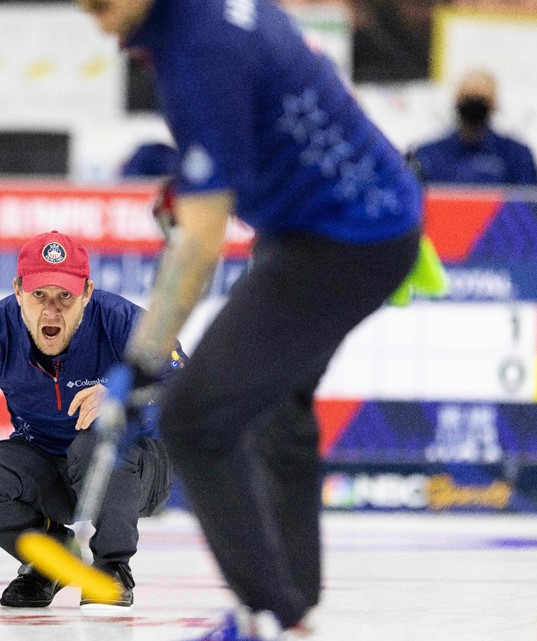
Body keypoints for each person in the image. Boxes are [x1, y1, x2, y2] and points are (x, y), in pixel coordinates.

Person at [75, 1, 423, 639]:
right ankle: (289, 598)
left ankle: (270, 611)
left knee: (195, 419)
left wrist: (141, 360)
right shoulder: (204, 19)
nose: (93, 16)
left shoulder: (199, 49)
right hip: (359, 213)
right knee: (272, 406)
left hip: (341, 239)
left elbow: (200, 247)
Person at [0, 231, 179, 612]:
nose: (51, 310)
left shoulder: (124, 322)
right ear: (17, 291)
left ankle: (112, 566)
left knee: (99, 440)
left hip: (133, 469)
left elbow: (189, 392)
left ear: (87, 292)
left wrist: (125, 399)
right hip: (47, 468)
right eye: (38, 295)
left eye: (65, 295)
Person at [410, 70, 537, 187]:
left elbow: (530, 206)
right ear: (457, 101)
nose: (473, 103)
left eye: (481, 98)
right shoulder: (427, 155)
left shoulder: (516, 155)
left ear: (494, 104)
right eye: (468, 97)